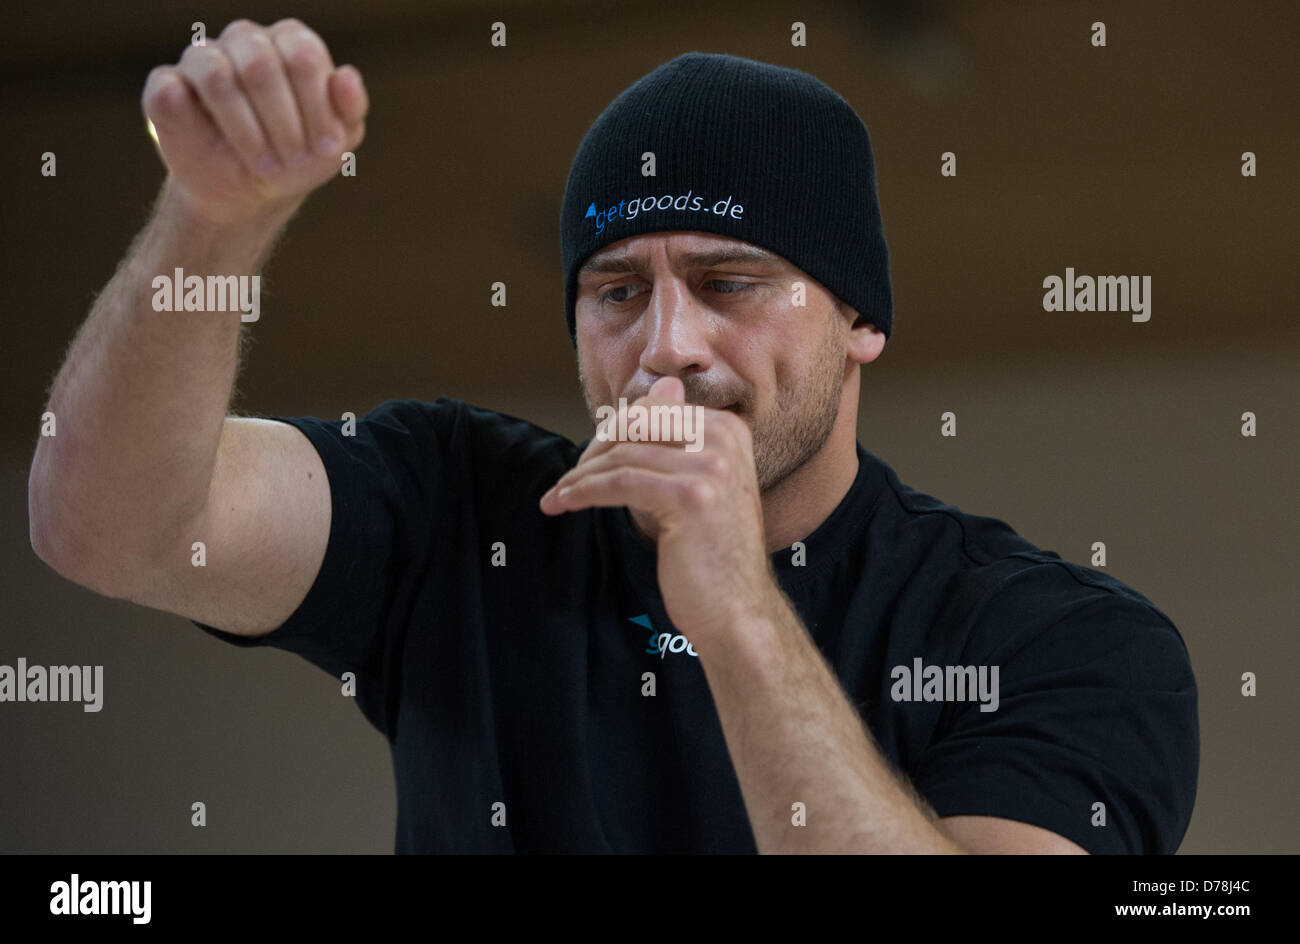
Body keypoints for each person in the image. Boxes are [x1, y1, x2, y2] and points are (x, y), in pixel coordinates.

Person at [28, 19, 1198, 854]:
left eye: (729, 280)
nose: (666, 346)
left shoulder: (1061, 638)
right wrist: (211, 221)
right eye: (617, 291)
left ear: (861, 320)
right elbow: (110, 532)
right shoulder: (460, 510)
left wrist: (734, 609)